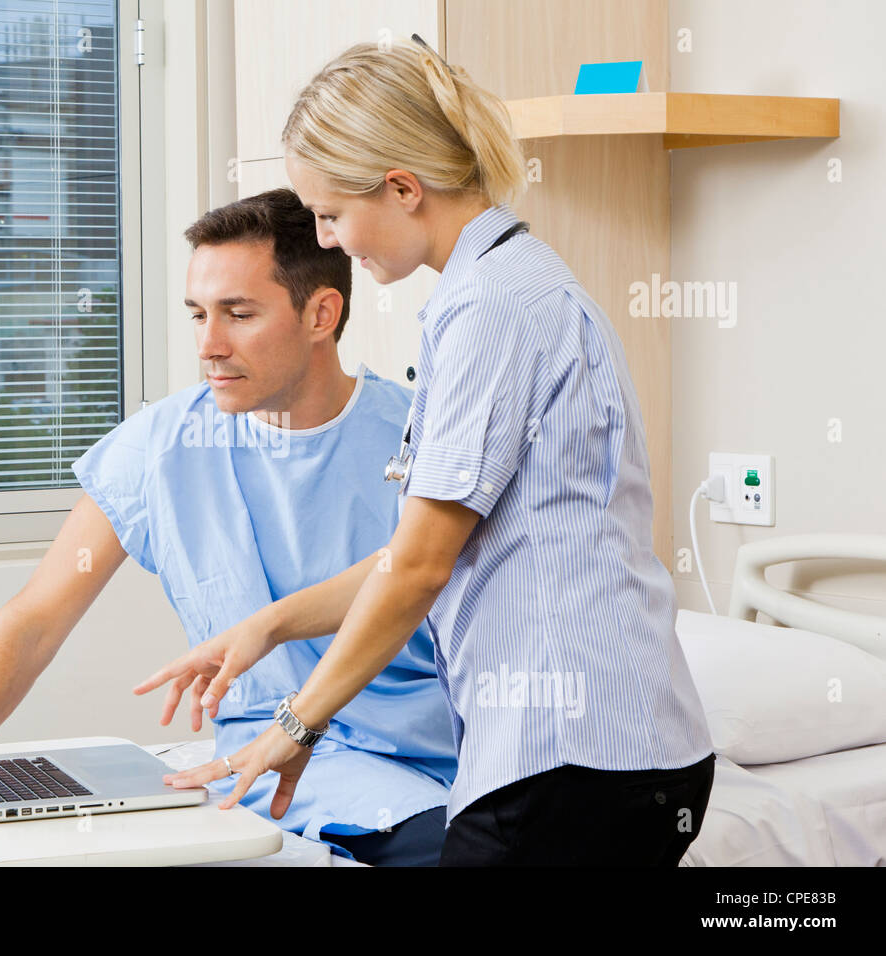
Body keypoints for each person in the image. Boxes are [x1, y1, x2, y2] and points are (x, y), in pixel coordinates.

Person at [137, 38, 716, 866]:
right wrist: (268, 626)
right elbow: (414, 550)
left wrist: (298, 723)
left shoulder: (492, 310)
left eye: (331, 214)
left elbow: (417, 569)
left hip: (574, 757)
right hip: (599, 753)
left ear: (403, 188)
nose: (331, 239)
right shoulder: (507, 287)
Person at [0, 189, 458, 866]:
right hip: (258, 762)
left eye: (238, 313)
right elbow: (35, 619)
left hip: (422, 762)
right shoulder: (164, 444)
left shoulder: (421, 436)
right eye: (197, 314)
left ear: (321, 314)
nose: (209, 344)